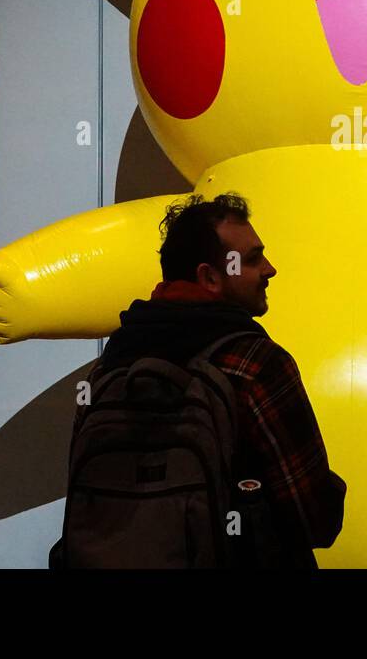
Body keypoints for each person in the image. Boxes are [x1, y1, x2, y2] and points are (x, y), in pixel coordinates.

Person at [94, 192, 346, 567]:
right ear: (210, 277)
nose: (270, 269)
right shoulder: (255, 363)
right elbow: (315, 519)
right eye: (252, 259)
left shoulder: (113, 361)